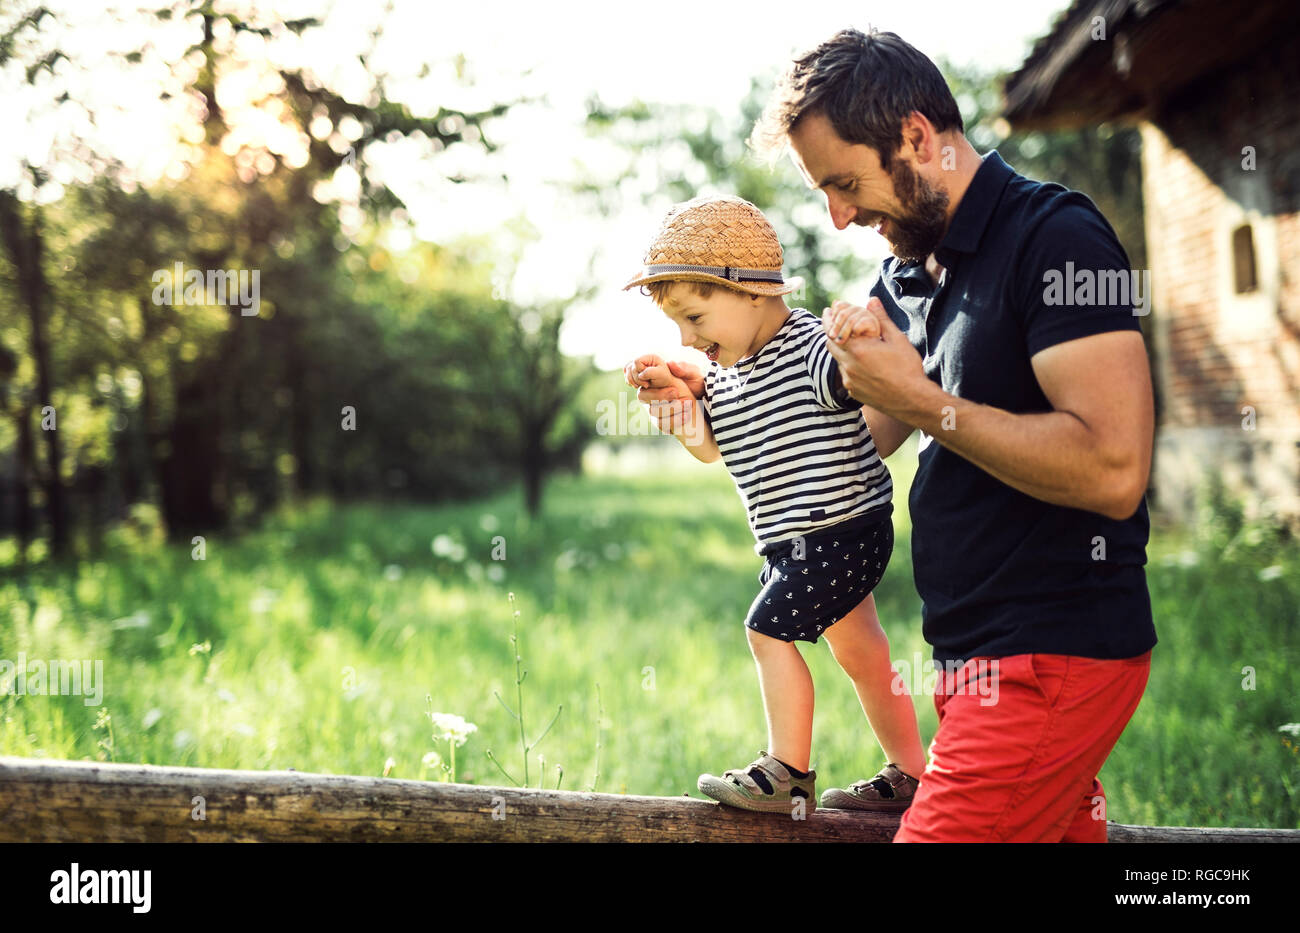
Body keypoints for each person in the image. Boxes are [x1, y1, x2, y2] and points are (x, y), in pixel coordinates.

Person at [740, 27, 1157, 841]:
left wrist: (927, 402)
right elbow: (853, 441)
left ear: (919, 139)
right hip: (973, 664)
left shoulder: (1055, 238)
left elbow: (1114, 468)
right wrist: (723, 393)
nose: (839, 215)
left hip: (1052, 654)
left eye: (846, 181)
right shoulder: (906, 271)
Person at [621, 194, 927, 814]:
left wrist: (860, 338)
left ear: (752, 291)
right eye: (678, 325)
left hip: (842, 530)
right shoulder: (730, 373)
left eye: (697, 316)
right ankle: (915, 775)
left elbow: (851, 375)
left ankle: (788, 773)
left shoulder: (808, 348)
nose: (687, 337)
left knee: (765, 632)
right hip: (796, 542)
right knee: (862, 651)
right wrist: (680, 404)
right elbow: (711, 448)